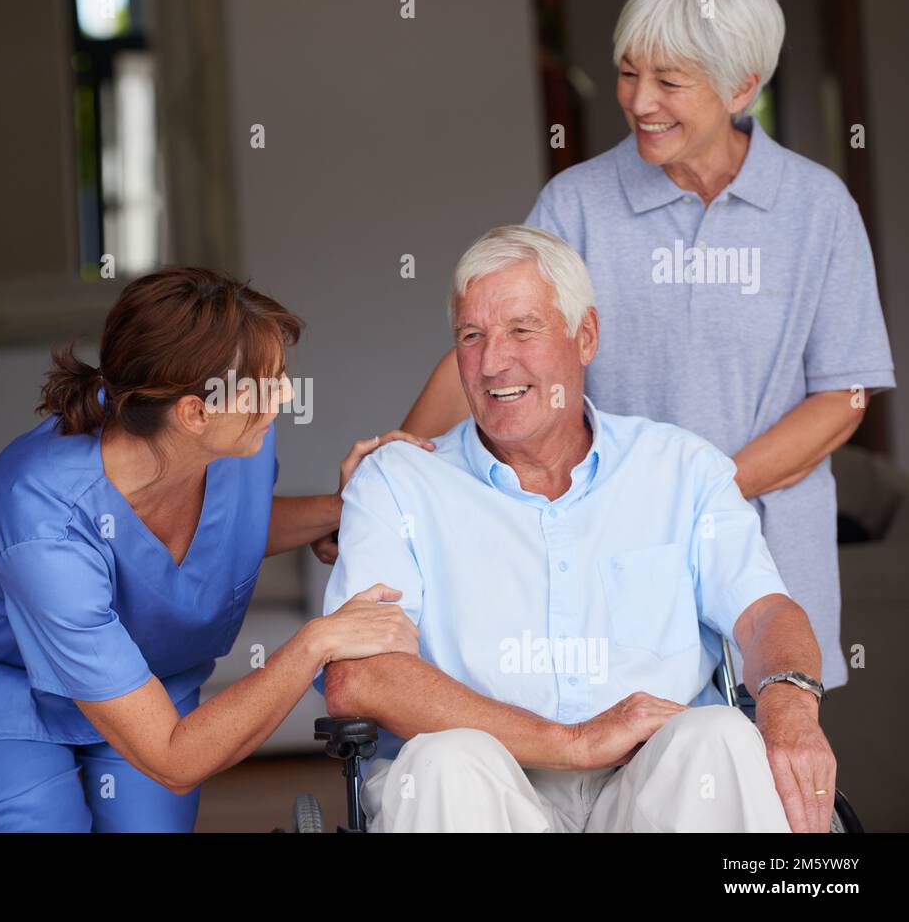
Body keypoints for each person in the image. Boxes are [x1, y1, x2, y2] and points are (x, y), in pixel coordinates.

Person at [397, 0, 894, 695]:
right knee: (626, 772)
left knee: (761, 780)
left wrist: (694, 494)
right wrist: (398, 466)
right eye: (629, 74)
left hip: (767, 552)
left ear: (741, 87)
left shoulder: (817, 208)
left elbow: (843, 398)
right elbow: (499, 352)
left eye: (669, 80)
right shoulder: (578, 203)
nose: (638, 101)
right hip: (611, 549)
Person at [322, 225, 835, 832]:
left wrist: (790, 702)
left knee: (722, 736)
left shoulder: (680, 466)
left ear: (584, 335)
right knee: (440, 760)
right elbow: (360, 676)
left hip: (653, 781)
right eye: (472, 336)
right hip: (488, 781)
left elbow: (765, 614)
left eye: (521, 329)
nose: (492, 362)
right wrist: (571, 741)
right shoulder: (398, 482)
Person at [0, 266, 424, 831]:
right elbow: (173, 757)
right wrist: (315, 641)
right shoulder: (44, 522)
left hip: (139, 664)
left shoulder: (236, 442)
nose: (285, 395)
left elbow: (222, 531)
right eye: (266, 384)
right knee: (47, 821)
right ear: (195, 414)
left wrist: (347, 508)